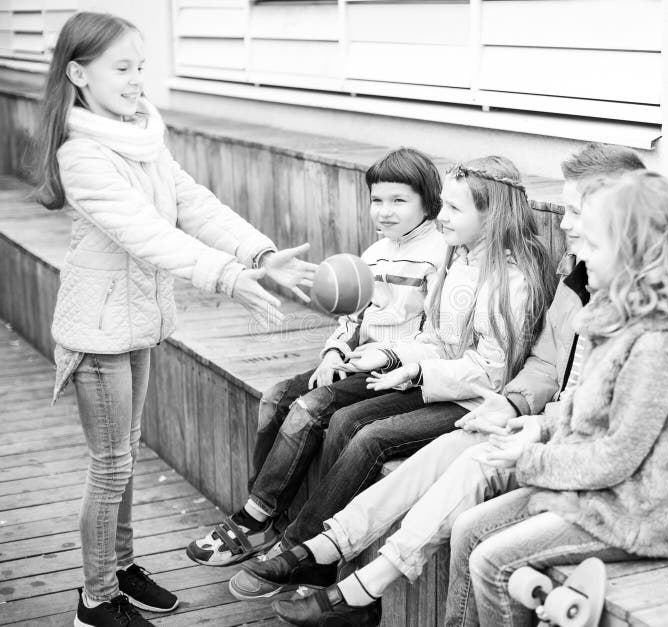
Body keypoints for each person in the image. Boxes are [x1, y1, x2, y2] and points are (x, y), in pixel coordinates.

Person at [36, 12, 315, 627]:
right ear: (78, 75)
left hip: (134, 324)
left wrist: (260, 254)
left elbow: (194, 204)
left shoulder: (140, 139)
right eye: (122, 68)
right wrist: (230, 277)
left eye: (141, 67)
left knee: (124, 457)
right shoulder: (83, 156)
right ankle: (95, 599)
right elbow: (149, 235)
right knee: (111, 465)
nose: (137, 80)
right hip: (98, 335)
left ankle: (121, 568)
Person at [227, 155, 556, 613]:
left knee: (370, 437)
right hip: (439, 383)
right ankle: (314, 557)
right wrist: (392, 358)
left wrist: (418, 373)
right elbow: (435, 340)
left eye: (454, 208)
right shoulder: (459, 258)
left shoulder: (512, 278)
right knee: (343, 420)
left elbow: (492, 371)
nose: (442, 216)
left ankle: (303, 548)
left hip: (475, 403)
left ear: (491, 214)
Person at [448, 170, 668, 626]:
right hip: (588, 491)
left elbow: (617, 456)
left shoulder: (657, 343)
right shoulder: (609, 314)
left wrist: (528, 459)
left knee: (491, 561)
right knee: (467, 529)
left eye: (595, 245)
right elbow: (584, 407)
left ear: (637, 254)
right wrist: (537, 427)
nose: (582, 255)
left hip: (635, 513)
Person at [185, 147, 447, 567]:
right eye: (377, 200)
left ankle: (254, 519)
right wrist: (333, 351)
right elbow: (353, 317)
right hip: (356, 361)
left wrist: (384, 355)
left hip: (396, 373)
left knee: (310, 409)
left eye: (399, 200)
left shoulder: (439, 256)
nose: (385, 211)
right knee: (275, 397)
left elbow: (436, 337)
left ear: (428, 201)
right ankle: (267, 513)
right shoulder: (374, 253)